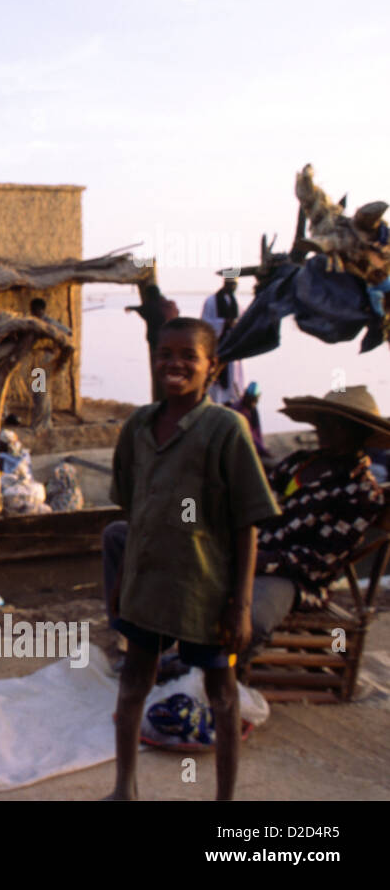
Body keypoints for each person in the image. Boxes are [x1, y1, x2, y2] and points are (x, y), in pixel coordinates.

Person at [104, 318, 280, 801]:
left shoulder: (226, 428)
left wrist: (241, 604)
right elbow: (133, 511)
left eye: (189, 356)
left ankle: (225, 799)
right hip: (146, 584)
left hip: (205, 590)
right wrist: (121, 581)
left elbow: (247, 522)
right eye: (165, 354)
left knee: (222, 695)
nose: (175, 364)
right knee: (133, 684)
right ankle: (124, 789)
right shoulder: (139, 426)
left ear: (212, 367)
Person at [248, 387, 388, 646]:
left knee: (252, 620)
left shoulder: (361, 493)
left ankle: (224, 668)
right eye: (322, 421)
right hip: (248, 556)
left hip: (293, 580)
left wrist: (257, 560)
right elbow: (254, 502)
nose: (323, 429)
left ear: (359, 432)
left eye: (336, 425)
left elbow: (320, 561)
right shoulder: (299, 463)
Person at [125, 283, 179, 400]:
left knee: (160, 372)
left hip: (159, 343)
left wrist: (131, 308)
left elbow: (143, 309)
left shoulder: (150, 307)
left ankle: (162, 399)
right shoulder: (170, 304)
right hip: (174, 341)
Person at [28, 297, 72, 430]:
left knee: (40, 392)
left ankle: (41, 424)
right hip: (39, 361)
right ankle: (42, 422)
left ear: (40, 310)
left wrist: (54, 346)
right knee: (40, 392)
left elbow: (68, 332)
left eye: (34, 310)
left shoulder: (47, 323)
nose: (32, 312)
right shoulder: (38, 322)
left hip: (44, 361)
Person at [201, 277, 245, 405]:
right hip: (217, 345)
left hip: (232, 346)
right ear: (226, 283)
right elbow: (205, 323)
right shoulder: (211, 301)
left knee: (233, 378)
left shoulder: (235, 301)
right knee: (216, 379)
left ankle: (231, 401)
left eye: (235, 285)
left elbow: (242, 319)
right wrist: (223, 323)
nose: (234, 287)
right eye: (232, 284)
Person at [230, 381, 270, 461]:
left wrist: (262, 449)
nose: (252, 403)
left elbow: (257, 431)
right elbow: (248, 435)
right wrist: (262, 450)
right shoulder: (237, 410)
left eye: (254, 400)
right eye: (251, 400)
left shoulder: (253, 409)